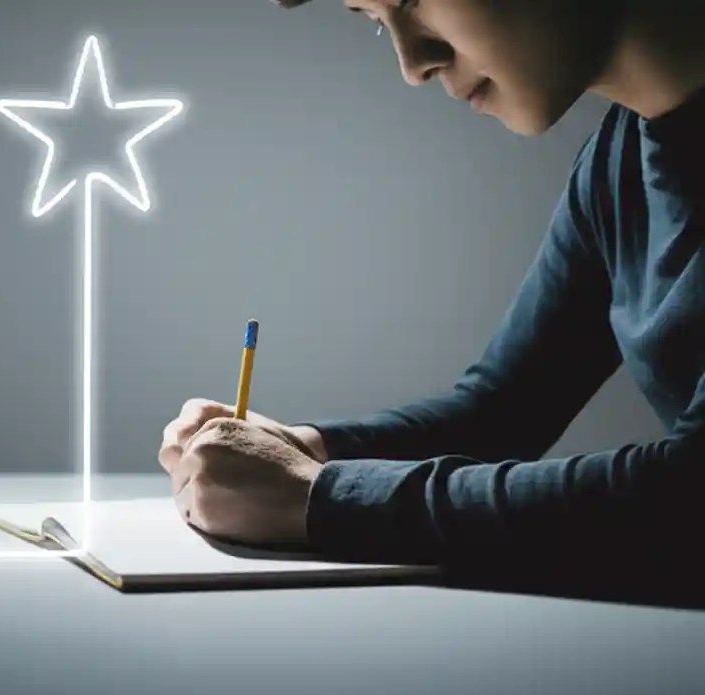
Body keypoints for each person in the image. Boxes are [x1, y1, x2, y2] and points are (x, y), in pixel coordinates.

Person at [158, 0, 704, 569]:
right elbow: (502, 410)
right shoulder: (617, 162)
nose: (412, 63)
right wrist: (302, 449)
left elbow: (689, 494)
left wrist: (317, 498)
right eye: (374, 20)